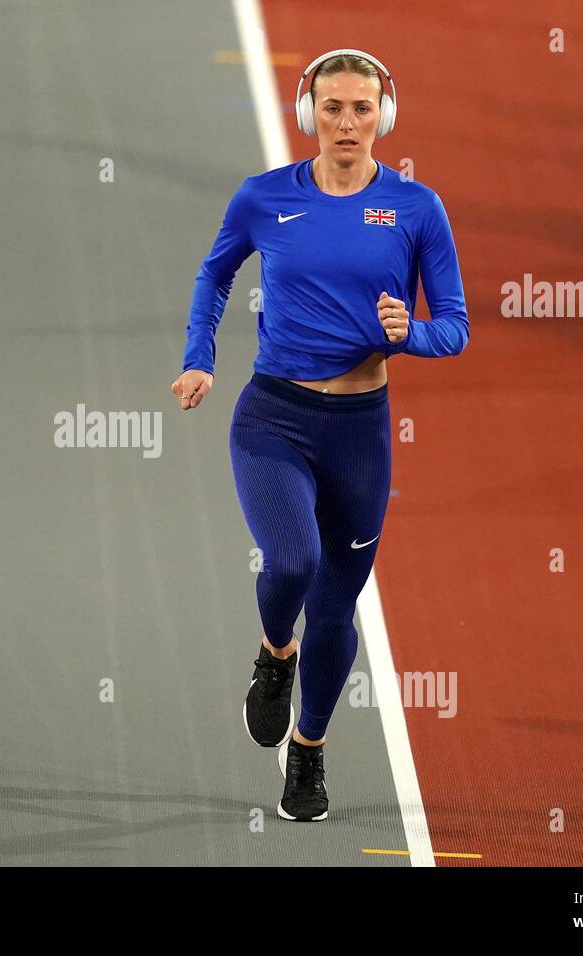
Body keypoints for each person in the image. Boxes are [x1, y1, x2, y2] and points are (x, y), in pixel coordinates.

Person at [170, 49, 469, 822]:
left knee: (337, 612)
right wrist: (199, 358)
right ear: (309, 112)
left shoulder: (416, 209)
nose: (346, 123)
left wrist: (414, 336)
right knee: (294, 559)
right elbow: (215, 274)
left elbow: (457, 329)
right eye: (331, 108)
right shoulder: (264, 198)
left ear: (384, 115)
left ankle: (307, 749)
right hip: (274, 416)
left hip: (360, 434)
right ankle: (275, 656)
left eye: (361, 109)